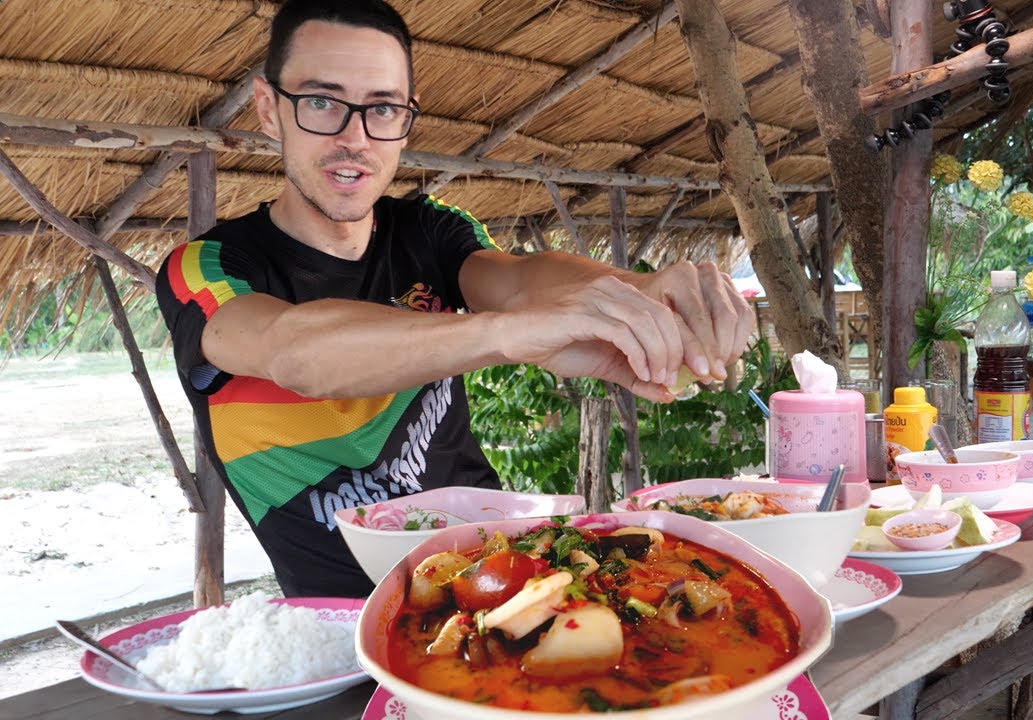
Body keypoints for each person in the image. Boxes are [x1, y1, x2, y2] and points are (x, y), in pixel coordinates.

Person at [155, 0, 752, 598]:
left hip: (502, 579)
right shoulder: (208, 266)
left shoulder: (429, 230)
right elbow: (292, 352)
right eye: (321, 103)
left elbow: (516, 280)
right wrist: (505, 334)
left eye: (383, 109)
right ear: (268, 108)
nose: (355, 138)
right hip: (345, 620)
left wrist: (641, 293)